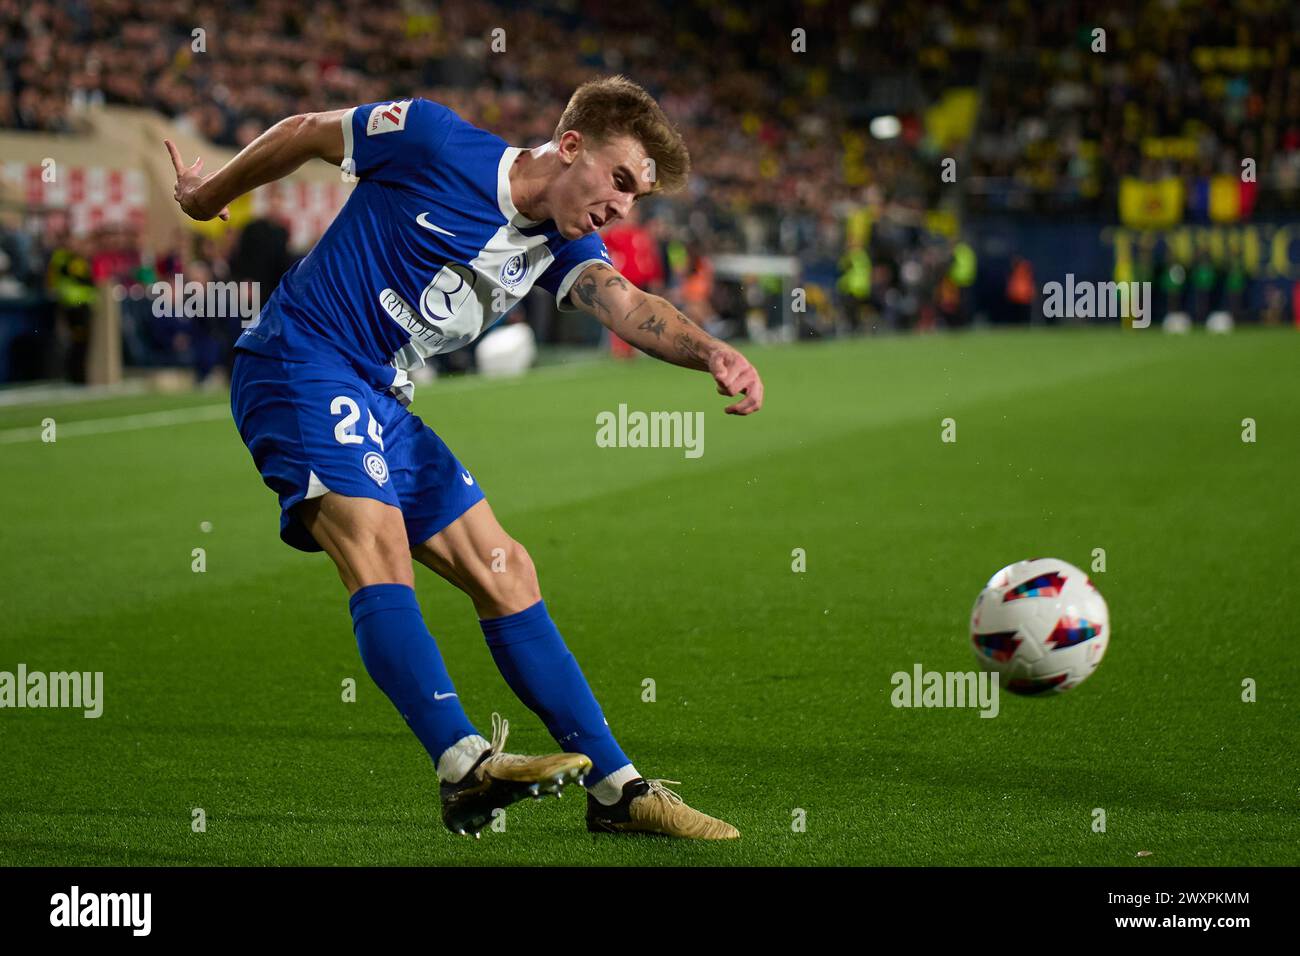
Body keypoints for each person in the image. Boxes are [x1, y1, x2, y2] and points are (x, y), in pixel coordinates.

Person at [165, 75, 764, 839]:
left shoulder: (562, 241)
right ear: (570, 145)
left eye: (637, 197)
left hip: (382, 397)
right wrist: (208, 192)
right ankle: (461, 764)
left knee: (505, 566)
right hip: (300, 360)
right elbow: (308, 129)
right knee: (377, 544)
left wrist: (715, 352)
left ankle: (616, 789)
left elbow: (628, 305)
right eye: (619, 180)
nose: (621, 207)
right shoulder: (432, 137)